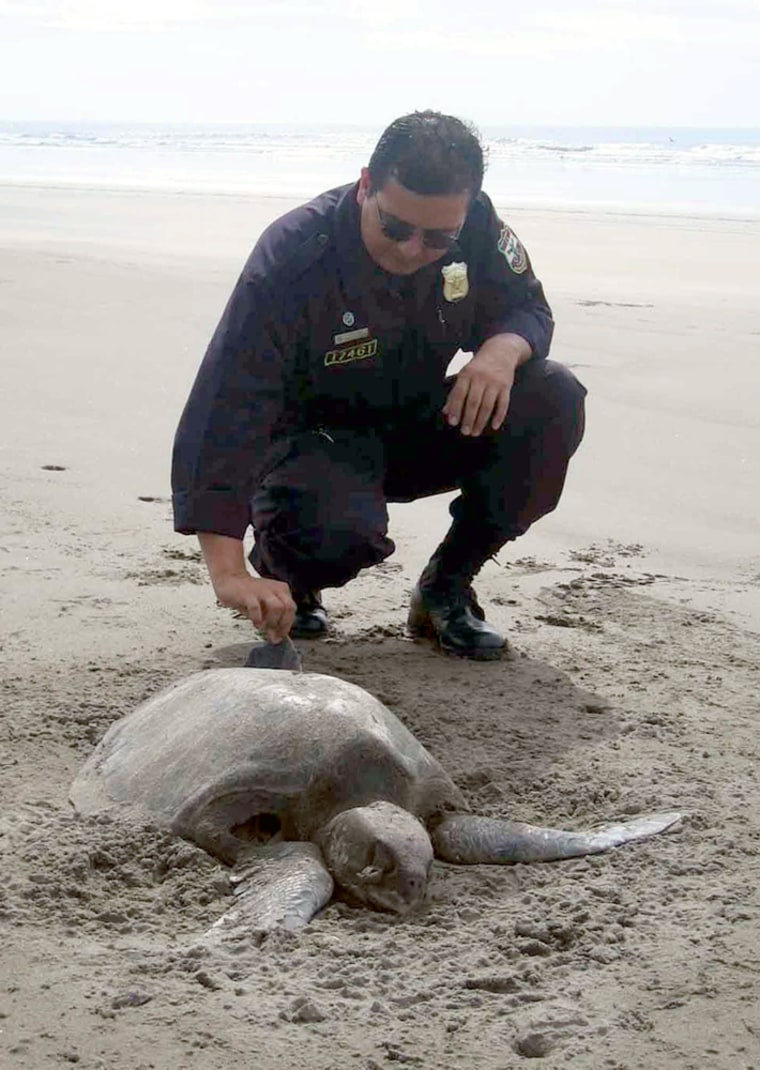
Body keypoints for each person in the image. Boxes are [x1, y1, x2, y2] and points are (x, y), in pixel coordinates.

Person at [172, 111, 586, 661]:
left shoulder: (478, 226)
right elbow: (226, 408)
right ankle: (291, 575)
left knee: (553, 396)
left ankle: (445, 589)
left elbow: (527, 306)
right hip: (312, 443)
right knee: (332, 535)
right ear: (366, 183)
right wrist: (228, 571)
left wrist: (501, 350)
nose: (412, 249)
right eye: (395, 227)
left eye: (438, 238)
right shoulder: (294, 256)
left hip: (417, 422)